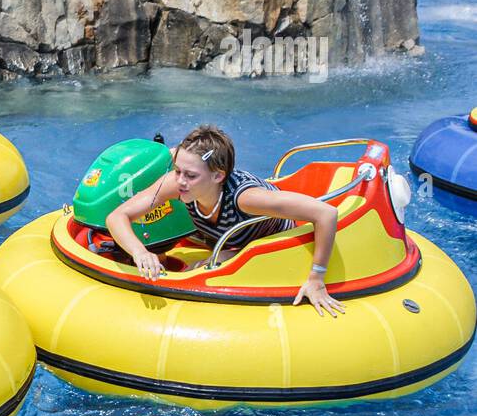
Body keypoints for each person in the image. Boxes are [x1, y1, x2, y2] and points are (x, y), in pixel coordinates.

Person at [105, 124, 345, 316]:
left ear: (218, 175)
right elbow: (117, 216)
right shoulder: (178, 185)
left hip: (265, 245)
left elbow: (325, 213)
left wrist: (317, 278)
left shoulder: (247, 199)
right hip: (222, 237)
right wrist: (140, 252)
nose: (179, 181)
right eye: (177, 170)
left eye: (190, 175)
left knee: (200, 270)